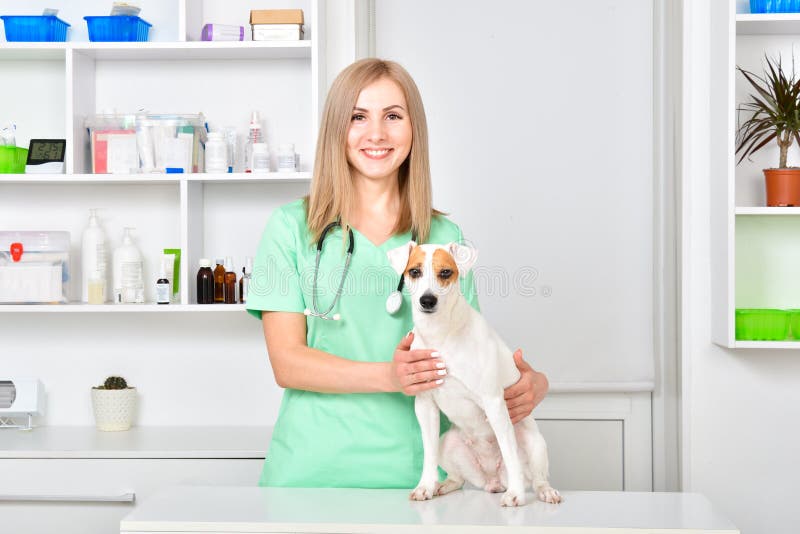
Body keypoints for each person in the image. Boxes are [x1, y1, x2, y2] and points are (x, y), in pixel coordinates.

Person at [246, 58, 549, 488]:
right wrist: (389, 376)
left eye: (393, 116)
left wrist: (531, 381)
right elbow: (287, 362)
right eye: (358, 117)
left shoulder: (442, 237)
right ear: (337, 129)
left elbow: (470, 344)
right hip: (313, 473)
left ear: (413, 130)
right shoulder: (290, 228)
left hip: (425, 477)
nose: (376, 134)